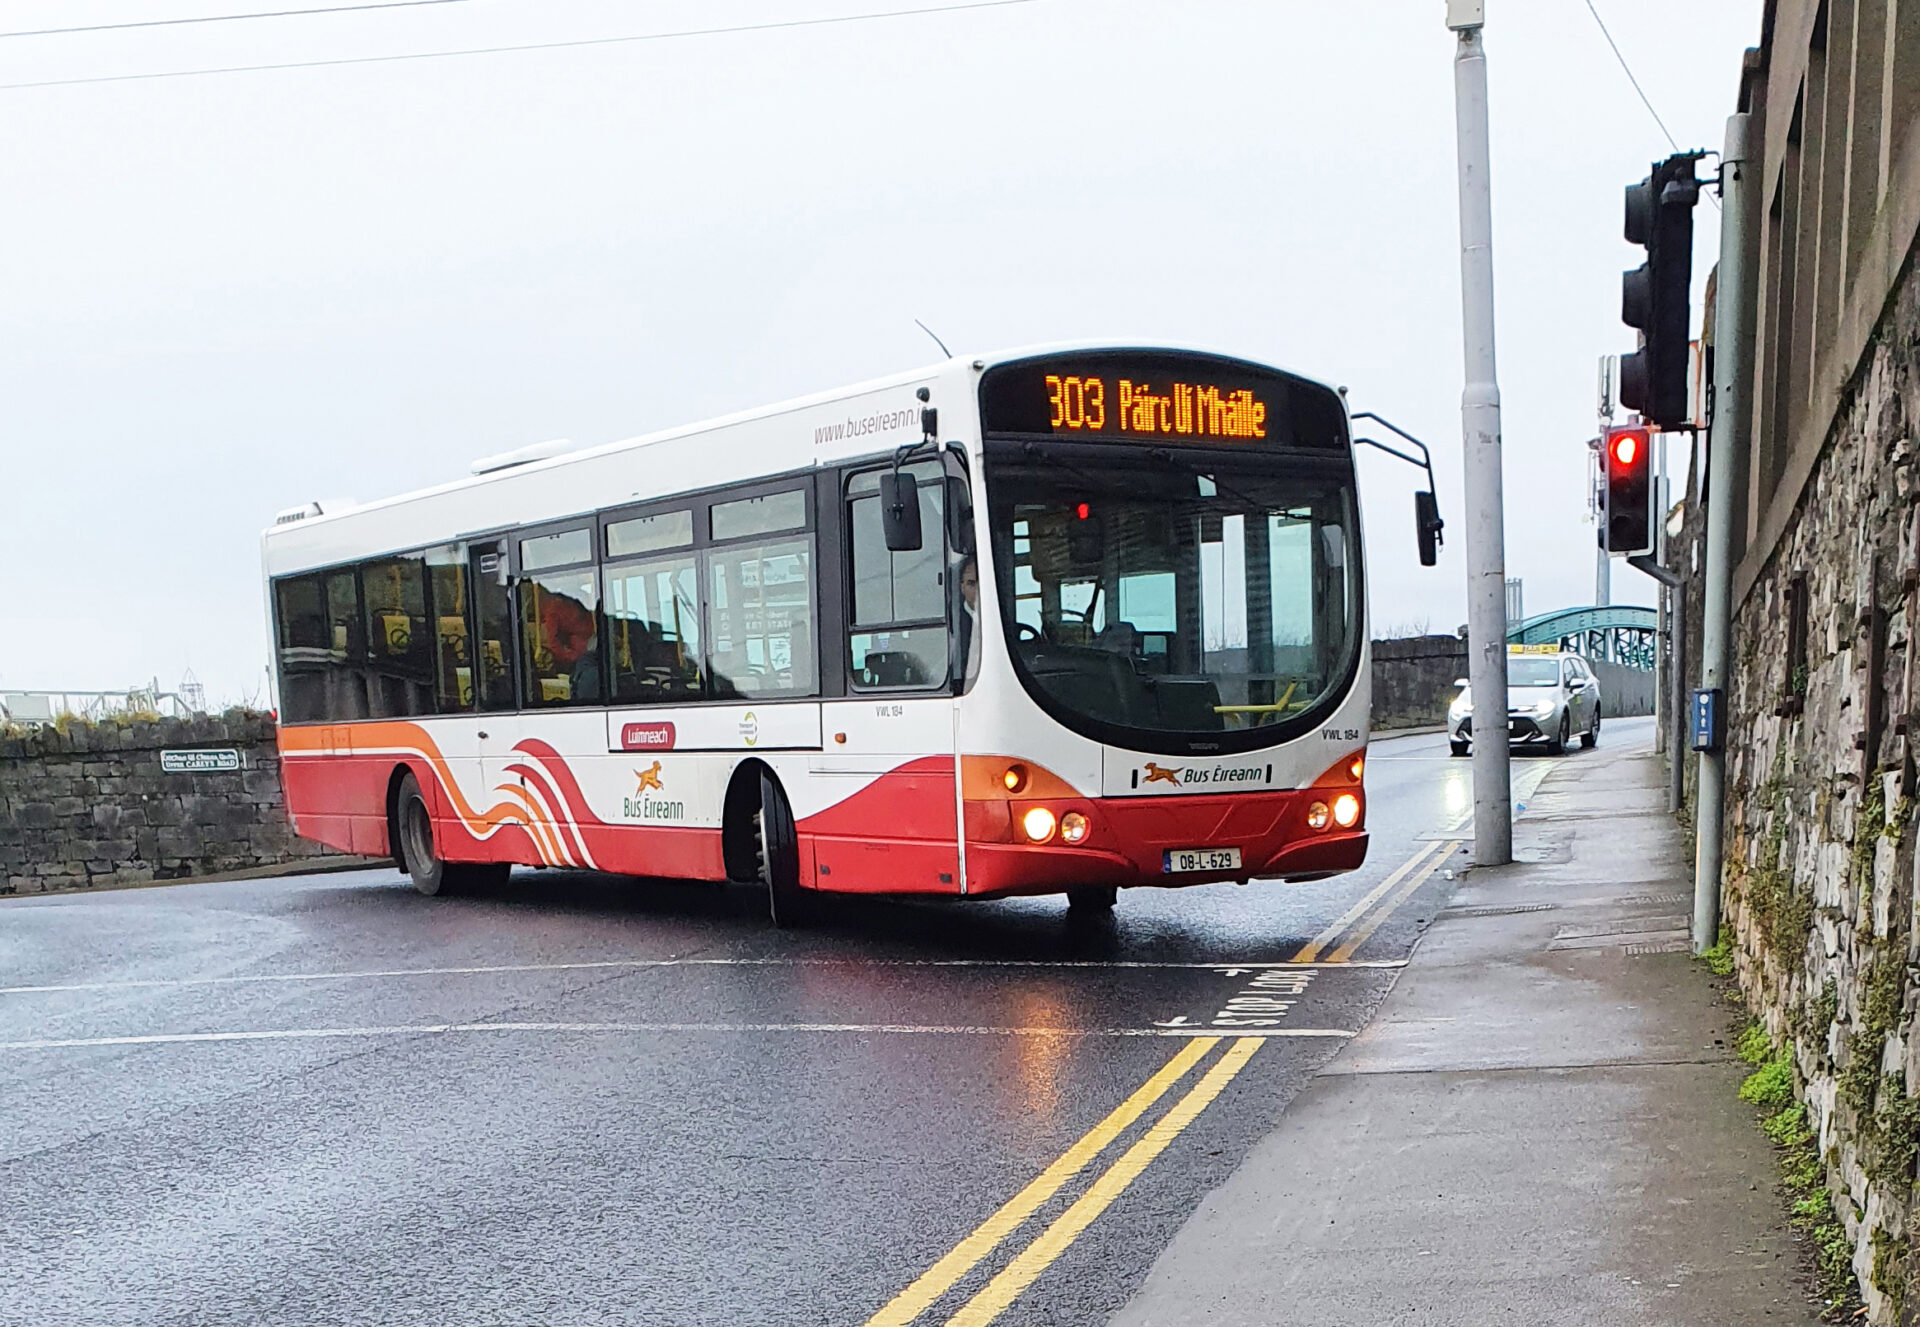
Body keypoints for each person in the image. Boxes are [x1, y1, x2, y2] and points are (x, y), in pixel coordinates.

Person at [952, 556, 982, 686]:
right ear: (962, 587)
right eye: (971, 583)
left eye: (982, 583)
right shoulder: (953, 622)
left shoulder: (1004, 617)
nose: (978, 590)